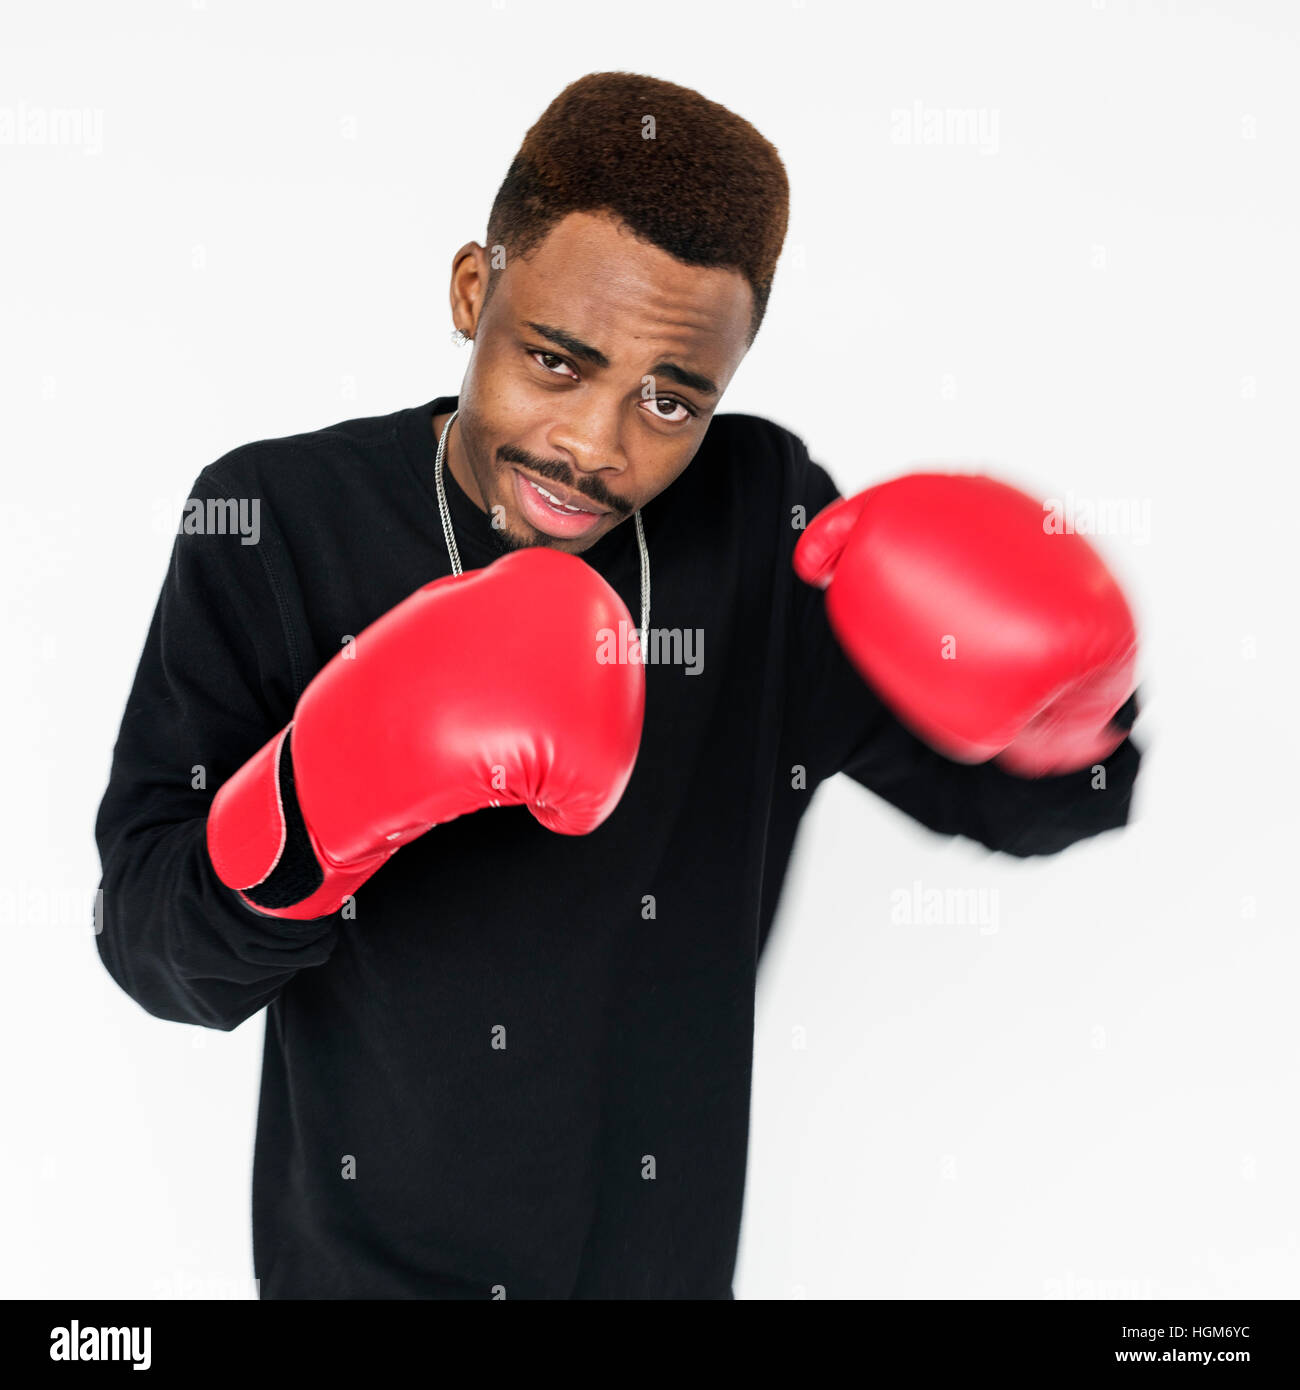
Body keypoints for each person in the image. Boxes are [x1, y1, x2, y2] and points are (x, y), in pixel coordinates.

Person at [94, 71, 1142, 1299]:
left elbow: (1022, 803)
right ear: (473, 290)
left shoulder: (762, 519)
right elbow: (152, 950)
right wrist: (313, 800)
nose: (597, 445)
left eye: (669, 399)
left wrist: (1071, 719)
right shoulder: (279, 518)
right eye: (554, 359)